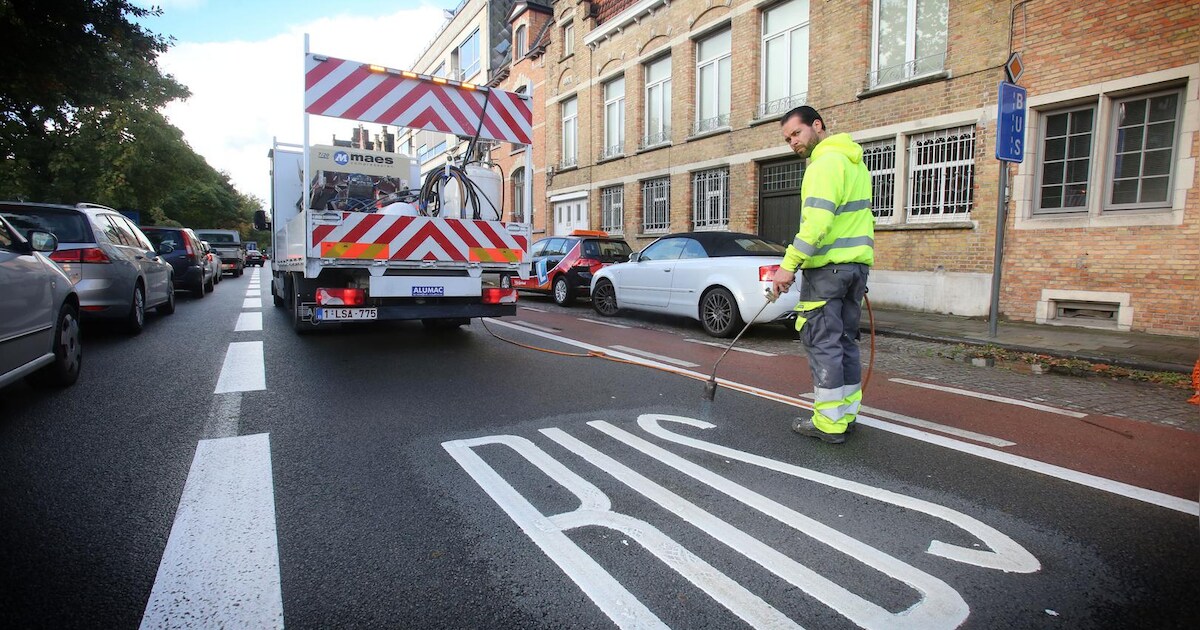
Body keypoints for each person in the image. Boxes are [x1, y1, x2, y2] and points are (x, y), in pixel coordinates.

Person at [771, 106, 874, 444]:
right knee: (845, 342)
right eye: (788, 139)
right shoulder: (854, 163)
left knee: (822, 342)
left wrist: (788, 265)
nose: (793, 143)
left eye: (796, 134)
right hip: (854, 268)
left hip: (828, 271)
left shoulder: (823, 164)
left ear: (817, 125)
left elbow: (816, 224)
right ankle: (845, 414)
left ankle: (828, 425)